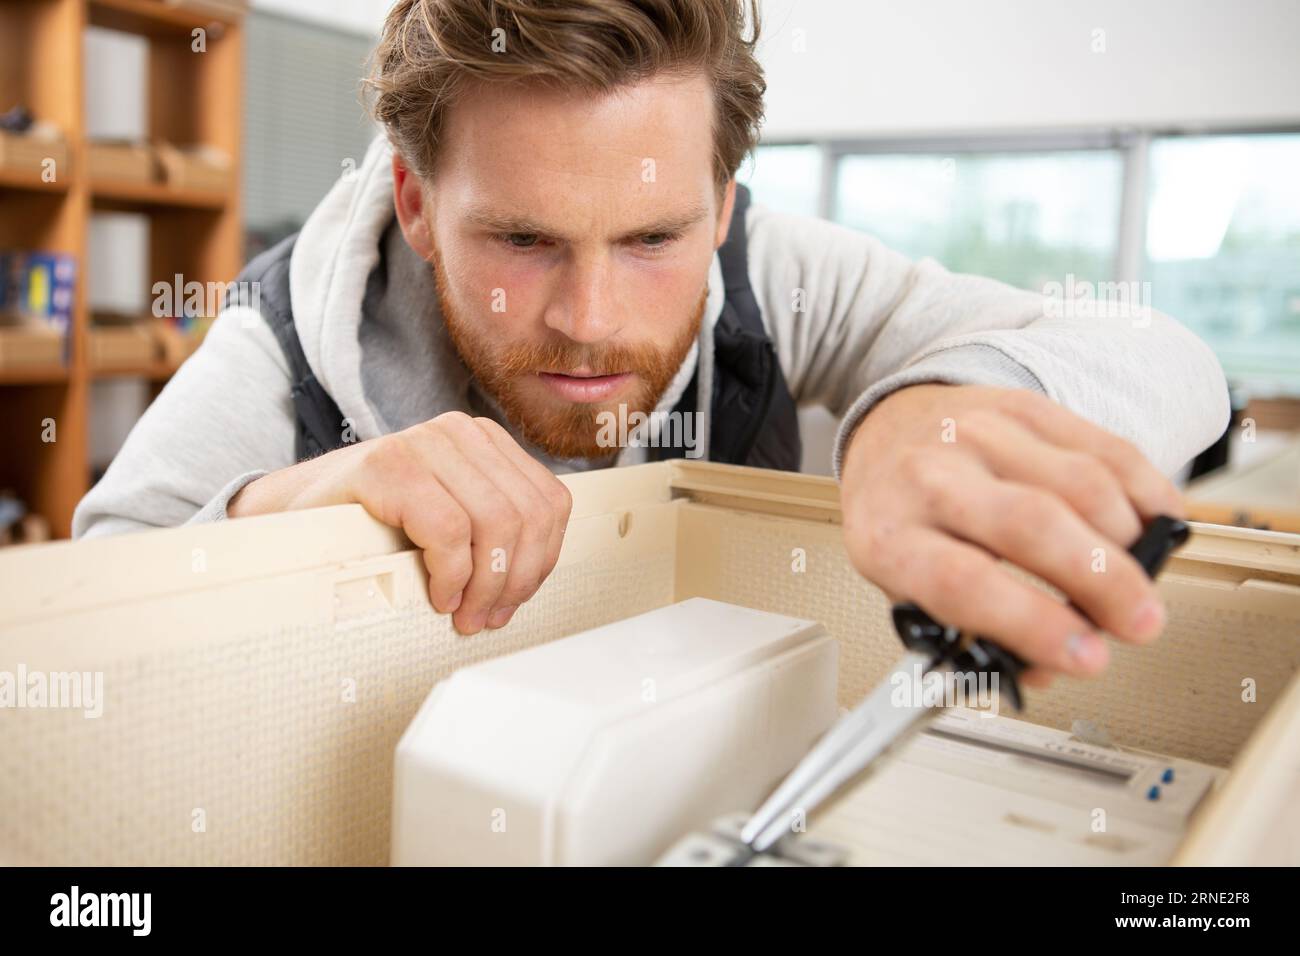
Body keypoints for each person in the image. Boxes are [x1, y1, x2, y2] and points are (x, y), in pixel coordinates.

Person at [74, 0, 1229, 691]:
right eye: (522, 237)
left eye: (651, 237)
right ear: (416, 205)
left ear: (721, 205)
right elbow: (91, 594)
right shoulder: (282, 325)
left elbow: (1174, 361)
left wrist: (928, 408)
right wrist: (313, 490)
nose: (591, 316)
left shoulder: (777, 273)